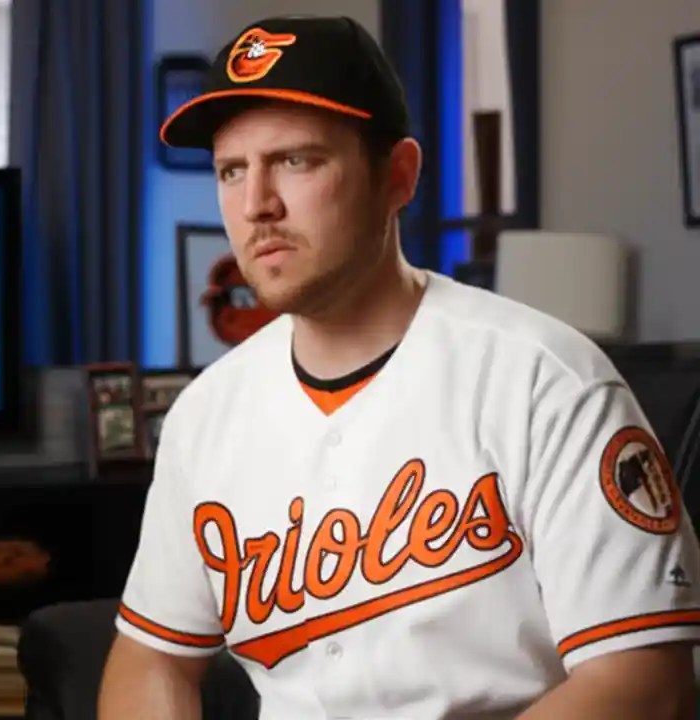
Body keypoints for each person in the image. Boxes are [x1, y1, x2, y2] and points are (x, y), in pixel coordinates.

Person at [98, 14, 700, 720]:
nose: (257, 204)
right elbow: (152, 657)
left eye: (296, 161)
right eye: (232, 170)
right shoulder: (206, 415)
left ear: (398, 177)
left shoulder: (546, 382)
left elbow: (643, 681)